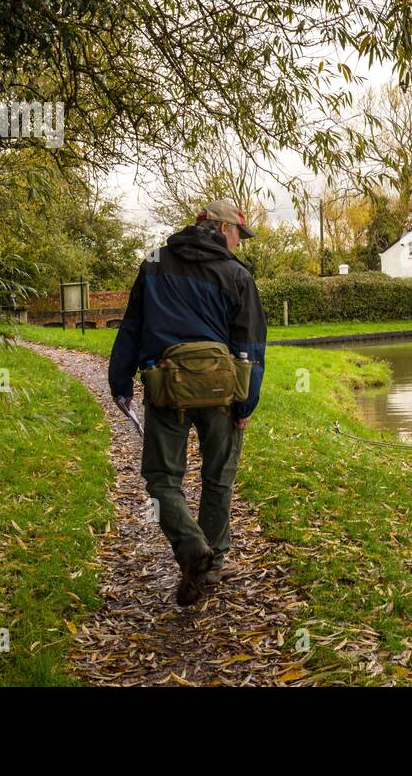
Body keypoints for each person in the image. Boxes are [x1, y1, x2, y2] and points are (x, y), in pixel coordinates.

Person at [108, 200, 266, 605]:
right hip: (222, 394)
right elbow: (250, 346)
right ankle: (210, 564)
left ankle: (191, 546)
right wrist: (245, 403)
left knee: (162, 479)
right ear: (219, 229)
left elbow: (132, 325)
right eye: (237, 235)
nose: (238, 244)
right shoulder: (237, 275)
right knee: (218, 478)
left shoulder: (155, 261)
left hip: (166, 389)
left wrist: (120, 379)